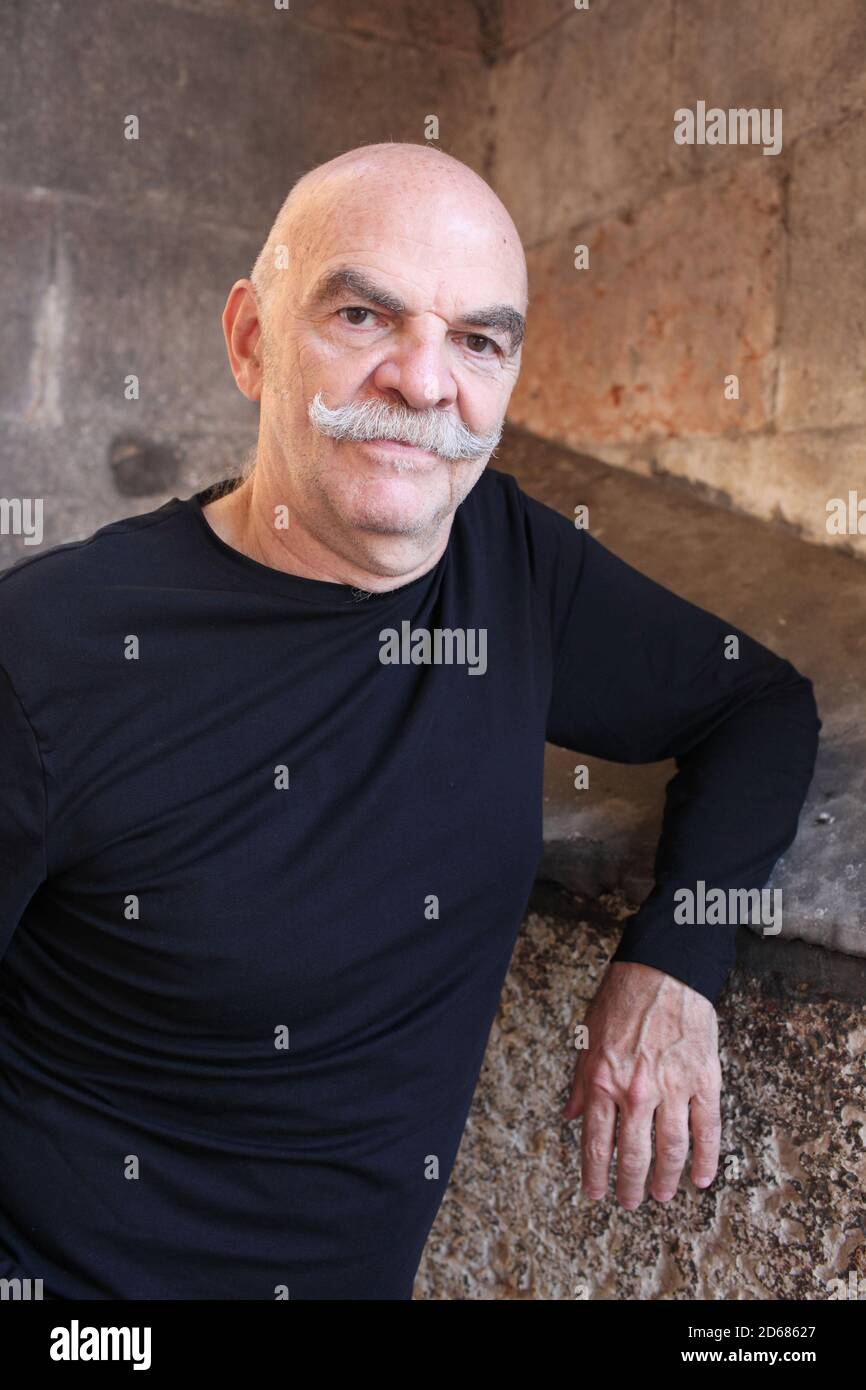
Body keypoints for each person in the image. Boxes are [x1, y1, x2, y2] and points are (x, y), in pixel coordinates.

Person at [0, 142, 820, 1299]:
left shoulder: (509, 564)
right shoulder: (50, 650)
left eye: (477, 340)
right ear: (250, 340)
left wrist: (674, 963)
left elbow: (758, 701)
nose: (423, 382)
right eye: (360, 314)